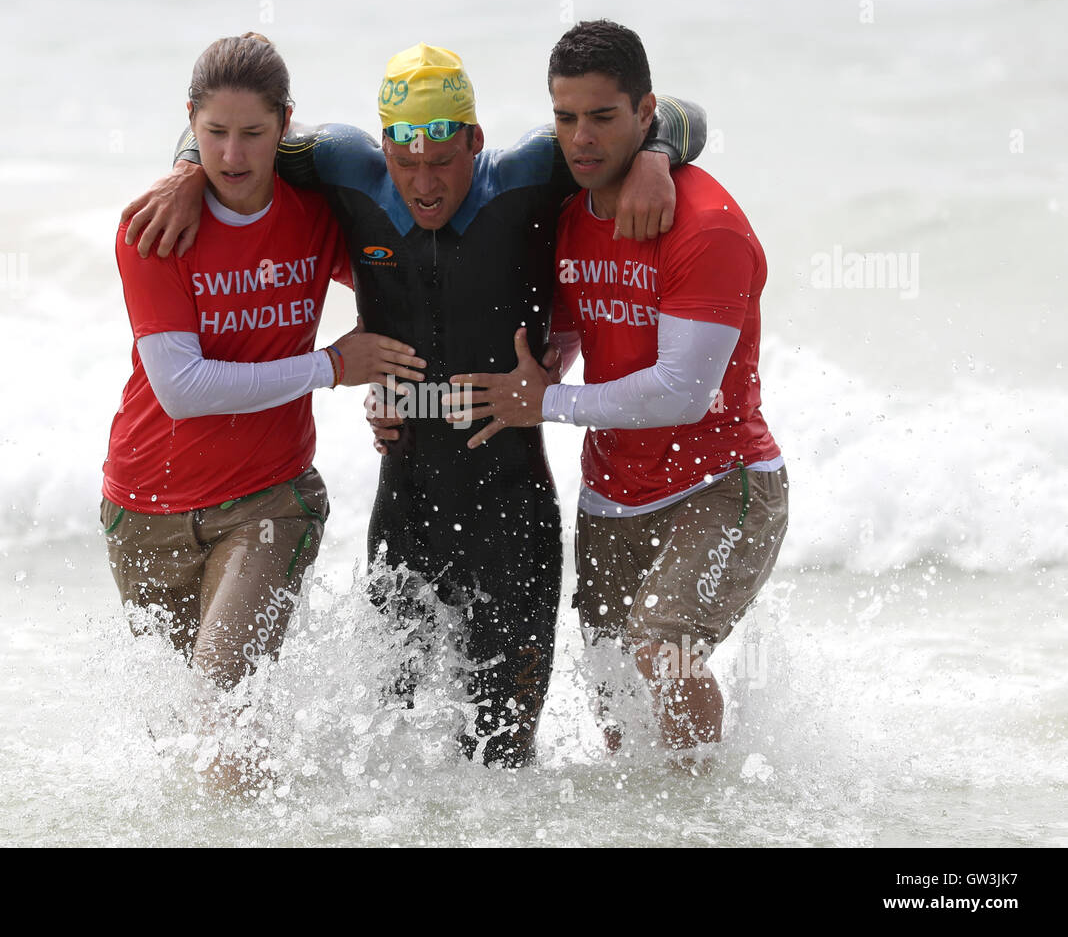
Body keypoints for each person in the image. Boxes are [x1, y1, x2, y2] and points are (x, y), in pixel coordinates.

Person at [121, 42, 706, 767]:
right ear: (383, 146)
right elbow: (237, 130)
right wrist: (184, 173)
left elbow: (680, 114)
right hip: (405, 516)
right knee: (389, 754)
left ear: (475, 140)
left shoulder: (529, 173)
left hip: (512, 519)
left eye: (443, 160)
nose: (424, 183)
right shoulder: (346, 169)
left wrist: (653, 156)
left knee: (501, 760)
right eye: (407, 161)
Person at [443, 20, 788, 770]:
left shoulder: (706, 225)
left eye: (603, 116)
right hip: (612, 495)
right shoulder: (571, 211)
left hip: (721, 483)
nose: (581, 138)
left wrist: (548, 405)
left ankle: (702, 812)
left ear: (645, 113)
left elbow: (682, 393)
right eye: (566, 118)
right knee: (616, 701)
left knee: (663, 650)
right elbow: (565, 335)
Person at [101, 33, 425, 783]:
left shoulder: (315, 214)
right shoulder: (156, 225)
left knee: (223, 712)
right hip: (144, 504)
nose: (233, 155)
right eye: (213, 134)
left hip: (267, 501)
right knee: (188, 743)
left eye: (253, 133)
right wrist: (332, 366)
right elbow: (182, 390)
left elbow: (408, 287)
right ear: (190, 121)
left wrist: (403, 385)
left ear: (286, 124)